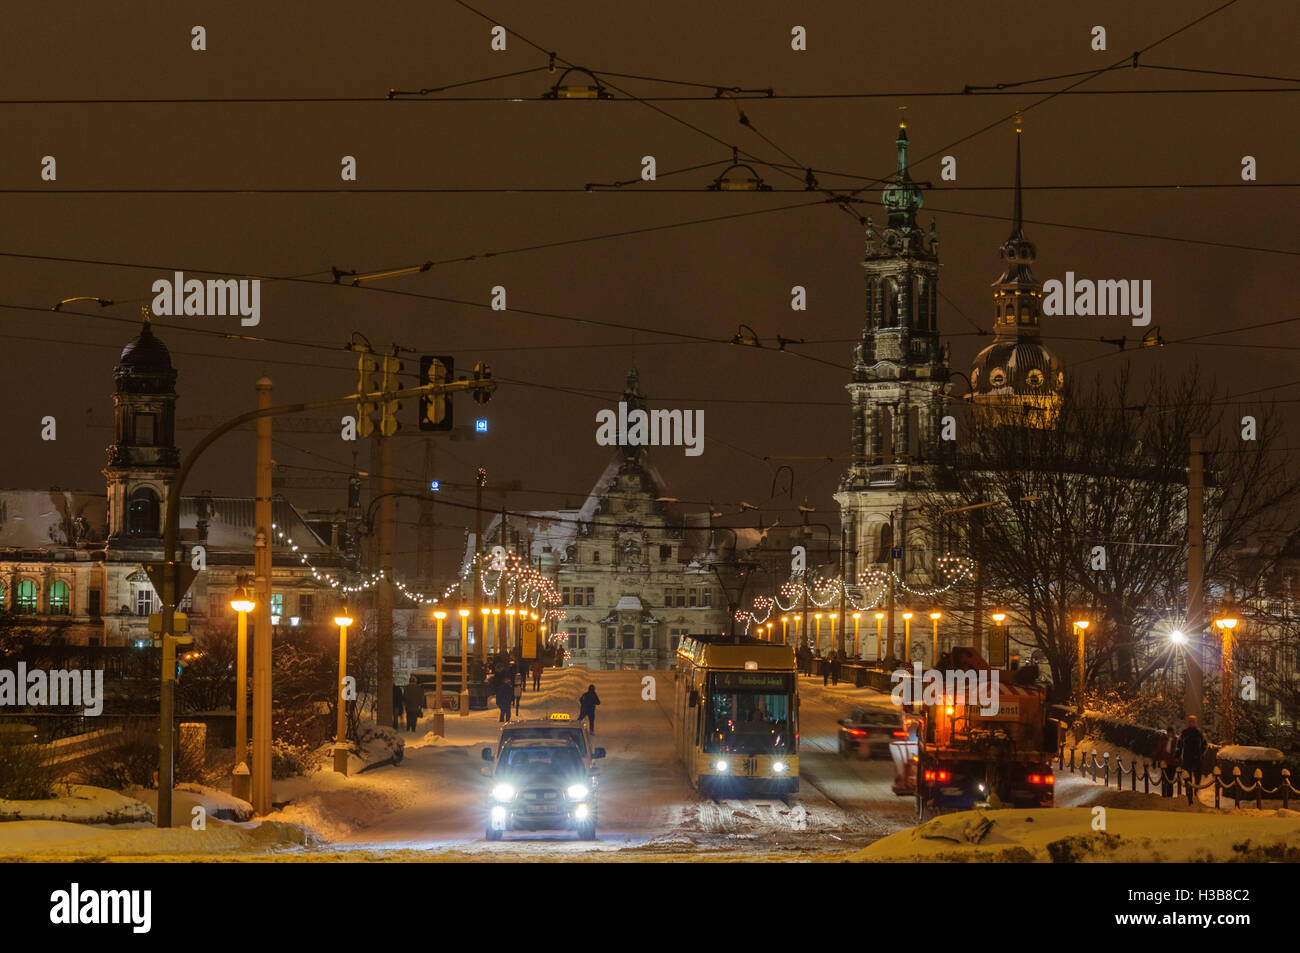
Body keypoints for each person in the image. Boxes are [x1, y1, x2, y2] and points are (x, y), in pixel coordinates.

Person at [1176, 714, 1208, 790]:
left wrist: (1201, 753)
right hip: (1187, 757)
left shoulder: (1199, 733)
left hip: (1197, 757)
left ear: (1195, 722)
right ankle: (1188, 791)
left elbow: (1205, 744)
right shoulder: (1184, 732)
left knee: (1197, 776)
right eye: (1190, 722)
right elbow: (1179, 745)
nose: (1191, 723)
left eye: (1193, 722)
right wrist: (1178, 755)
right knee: (1187, 776)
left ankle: (1196, 790)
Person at [1155, 726, 1178, 797]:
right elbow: (1159, 749)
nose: (1170, 734)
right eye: (1169, 732)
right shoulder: (1163, 739)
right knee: (1164, 779)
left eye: (1171, 733)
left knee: (1170, 780)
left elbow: (1178, 751)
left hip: (1172, 762)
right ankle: (1164, 794)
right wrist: (1158, 759)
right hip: (1164, 762)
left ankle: (1169, 795)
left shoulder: (1176, 740)